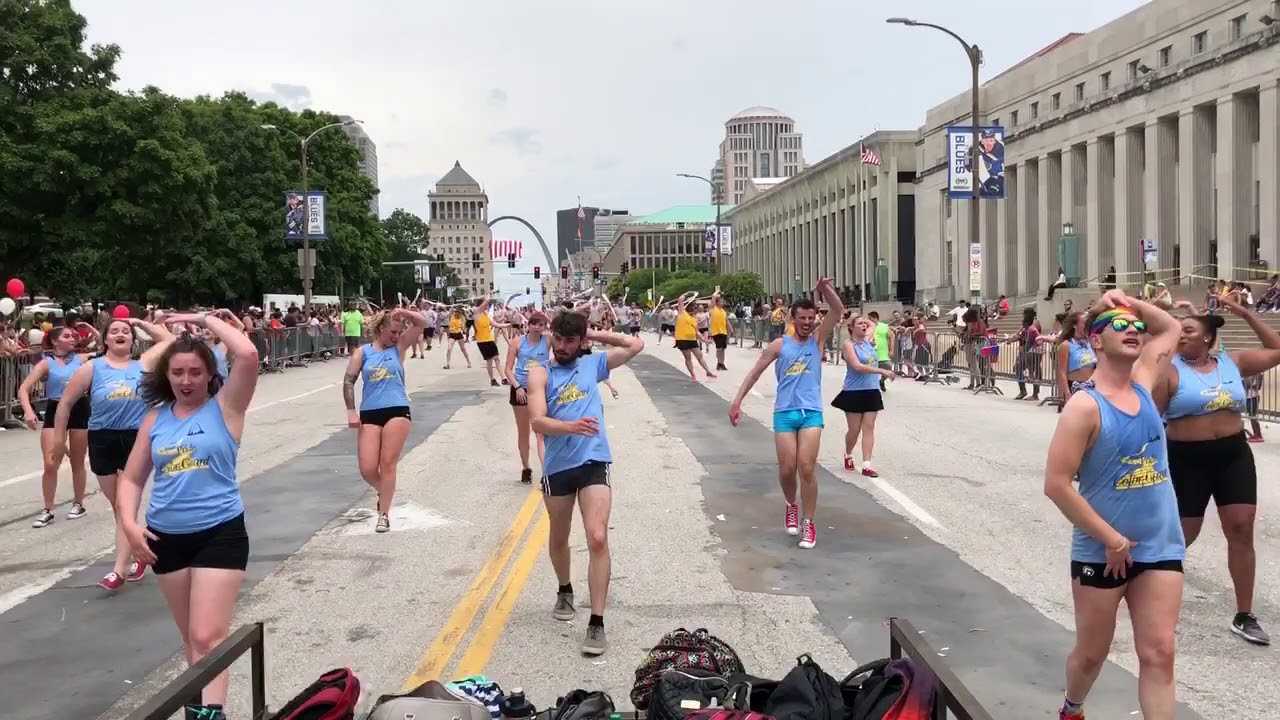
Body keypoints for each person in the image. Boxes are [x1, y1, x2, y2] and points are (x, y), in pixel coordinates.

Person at [1043, 290, 1183, 719]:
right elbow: (1057, 485)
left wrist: (1129, 305)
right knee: (1091, 654)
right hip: (1102, 550)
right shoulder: (1084, 408)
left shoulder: (1144, 385)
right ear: (1095, 341)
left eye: (1138, 328)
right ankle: (1073, 707)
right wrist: (1112, 539)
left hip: (1160, 545)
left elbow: (1171, 328)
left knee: (1159, 653)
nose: (1134, 331)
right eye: (1120, 326)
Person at [114, 313, 259, 720]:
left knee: (207, 637)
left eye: (196, 371)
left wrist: (202, 318)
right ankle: (199, 710)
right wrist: (129, 523)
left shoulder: (226, 407)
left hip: (220, 533)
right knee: (191, 640)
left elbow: (247, 352)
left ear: (211, 373)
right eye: (177, 372)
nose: (186, 380)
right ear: (167, 375)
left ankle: (213, 713)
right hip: (166, 539)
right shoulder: (155, 419)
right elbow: (132, 479)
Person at [1152, 297, 1280, 646]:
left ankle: (1244, 614)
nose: (1180, 334)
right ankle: (1152, 598)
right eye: (1177, 329)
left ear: (1208, 337)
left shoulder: (1233, 363)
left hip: (1232, 456)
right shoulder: (1170, 371)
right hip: (1186, 459)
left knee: (1241, 529)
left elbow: (1277, 348)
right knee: (1182, 535)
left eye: (1188, 329)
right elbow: (1152, 420)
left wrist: (1244, 312)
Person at [527, 310, 644, 656]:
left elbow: (636, 343)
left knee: (596, 536)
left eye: (569, 340)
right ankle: (565, 588)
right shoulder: (540, 373)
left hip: (593, 460)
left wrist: (595, 334)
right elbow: (537, 422)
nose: (561, 347)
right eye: (557, 339)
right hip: (559, 466)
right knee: (560, 536)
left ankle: (596, 622)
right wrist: (571, 427)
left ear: (581, 343)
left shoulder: (593, 365)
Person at [53, 316, 174, 590]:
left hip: (135, 438)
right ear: (105, 339)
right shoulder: (92, 368)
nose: (121, 334)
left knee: (124, 504)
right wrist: (59, 441)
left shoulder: (144, 364)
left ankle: (118, 571)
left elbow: (167, 339)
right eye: (115, 331)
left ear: (133, 340)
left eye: (126, 332)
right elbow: (66, 403)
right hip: (102, 438)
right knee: (119, 508)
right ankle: (138, 550)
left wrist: (138, 322)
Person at [728, 278, 843, 549]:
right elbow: (755, 373)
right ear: (792, 317)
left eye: (811, 318)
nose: (807, 322)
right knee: (787, 469)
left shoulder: (817, 340)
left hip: (811, 412)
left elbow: (837, 312)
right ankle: (791, 504)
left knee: (806, 466)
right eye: (802, 317)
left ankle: (809, 523)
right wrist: (737, 401)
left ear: (815, 319)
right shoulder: (780, 345)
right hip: (784, 413)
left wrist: (826, 291)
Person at [343, 307, 427, 533]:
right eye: (392, 332)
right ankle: (386, 491)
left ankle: (384, 514)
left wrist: (405, 312)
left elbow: (422, 323)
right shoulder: (363, 353)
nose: (396, 336)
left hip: (397, 409)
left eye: (399, 332)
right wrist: (351, 410)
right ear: (380, 329)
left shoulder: (398, 349)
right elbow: (349, 381)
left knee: (387, 463)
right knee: (367, 468)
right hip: (370, 412)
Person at [19, 323, 100, 527]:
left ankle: (78, 503)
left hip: (79, 407)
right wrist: (28, 410)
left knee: (77, 461)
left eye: (73, 336)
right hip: (55, 409)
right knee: (50, 462)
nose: (72, 339)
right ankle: (47, 509)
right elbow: (23, 388)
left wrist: (89, 327)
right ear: (55, 341)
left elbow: (102, 346)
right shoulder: (46, 363)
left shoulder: (82, 359)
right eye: (67, 336)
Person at [832, 315, 894, 476]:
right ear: (851, 327)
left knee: (869, 427)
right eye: (860, 324)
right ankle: (848, 453)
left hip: (871, 389)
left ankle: (867, 465)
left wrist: (865, 320)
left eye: (865, 324)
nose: (864, 326)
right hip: (854, 391)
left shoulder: (867, 340)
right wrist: (881, 370)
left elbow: (873, 324)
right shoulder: (848, 345)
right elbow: (857, 366)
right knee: (854, 429)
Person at [504, 311, 550, 485]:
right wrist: (517, 386)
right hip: (520, 388)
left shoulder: (548, 340)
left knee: (541, 432)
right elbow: (508, 369)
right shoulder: (517, 342)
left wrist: (549, 319)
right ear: (528, 325)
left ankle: (546, 473)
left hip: (540, 389)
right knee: (523, 432)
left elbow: (561, 331)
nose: (538, 327)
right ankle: (525, 467)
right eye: (535, 324)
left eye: (541, 324)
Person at [673, 294, 716, 382]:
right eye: (692, 309)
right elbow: (680, 300)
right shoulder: (682, 313)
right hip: (682, 339)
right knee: (688, 358)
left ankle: (708, 371)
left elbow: (697, 332)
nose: (693, 311)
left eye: (694, 309)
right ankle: (693, 375)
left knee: (699, 356)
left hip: (692, 339)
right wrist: (687, 294)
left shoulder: (694, 319)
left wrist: (704, 340)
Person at [709, 293, 730, 371]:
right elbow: (713, 300)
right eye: (721, 301)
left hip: (723, 332)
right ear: (717, 303)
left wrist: (730, 330)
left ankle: (722, 363)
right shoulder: (713, 309)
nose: (723, 303)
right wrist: (716, 294)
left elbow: (727, 322)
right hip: (716, 332)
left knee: (723, 349)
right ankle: (719, 363)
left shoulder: (723, 312)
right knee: (719, 348)